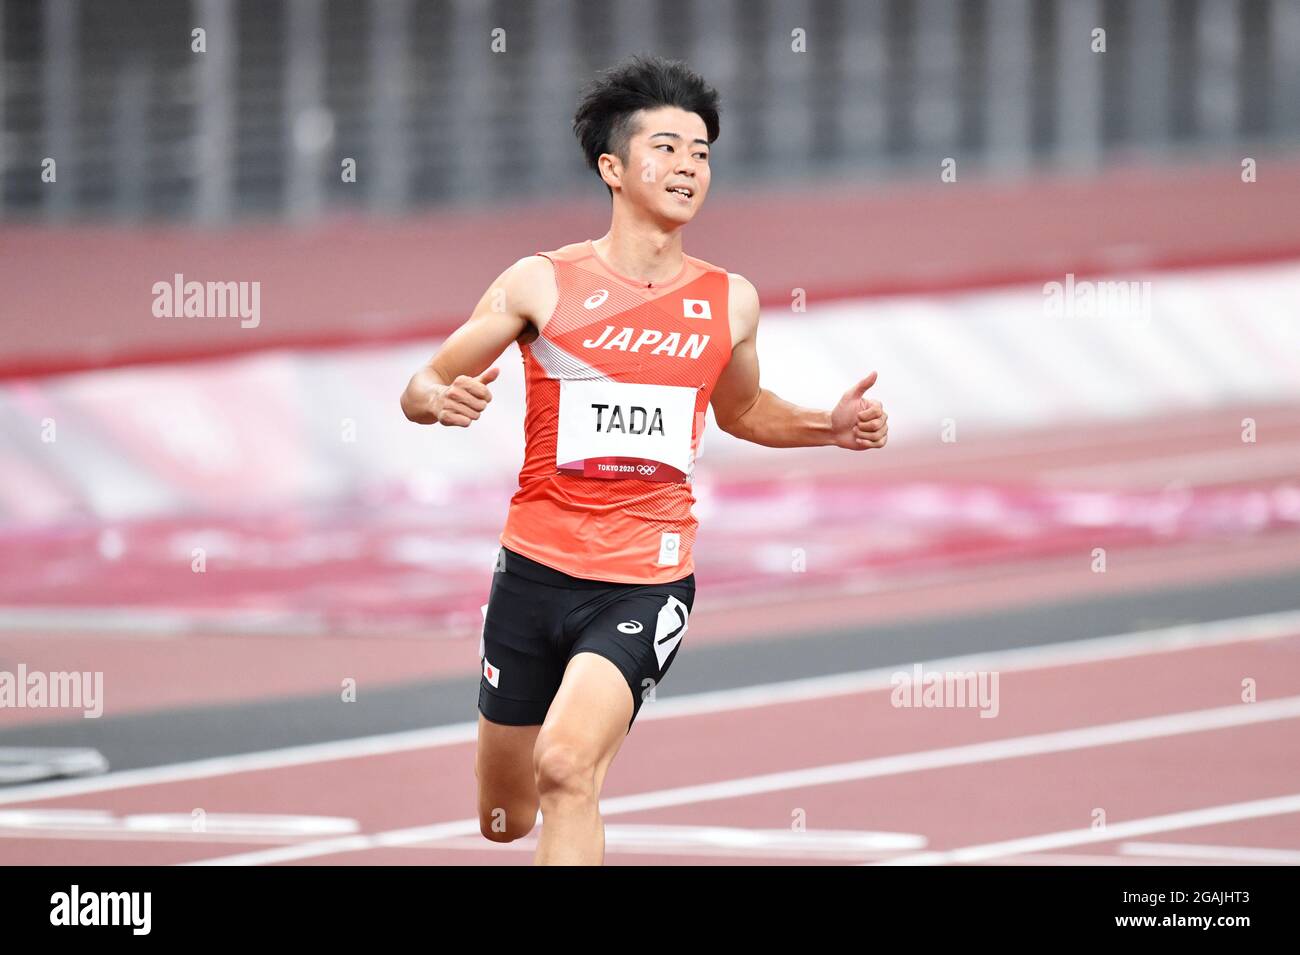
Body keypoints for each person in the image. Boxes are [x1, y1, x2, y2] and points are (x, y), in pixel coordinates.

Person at [400, 54, 888, 865]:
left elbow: (742, 410)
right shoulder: (541, 283)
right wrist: (435, 400)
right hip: (531, 573)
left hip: (645, 578)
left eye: (701, 152)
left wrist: (827, 426)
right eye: (665, 148)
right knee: (506, 816)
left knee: (567, 768)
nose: (688, 167)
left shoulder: (728, 299)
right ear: (613, 168)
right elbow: (425, 381)